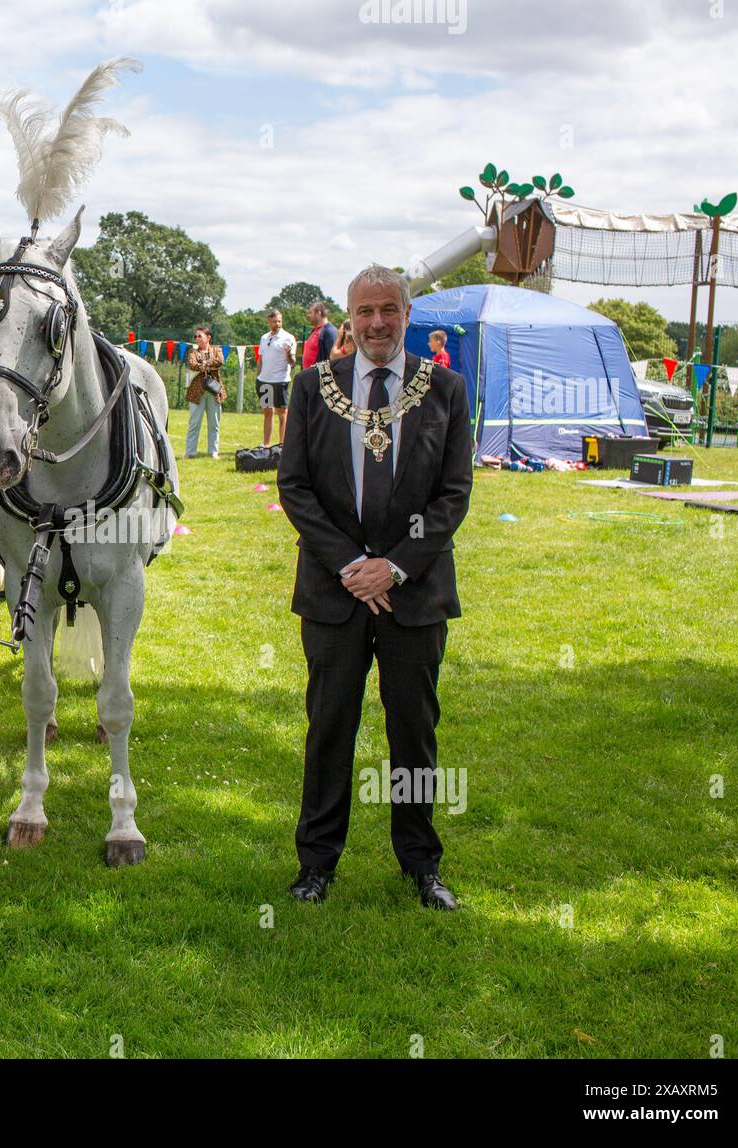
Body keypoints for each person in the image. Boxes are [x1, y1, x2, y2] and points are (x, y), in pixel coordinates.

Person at [277, 264, 473, 911]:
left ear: (408, 314)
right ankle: (316, 865)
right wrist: (350, 566)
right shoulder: (312, 387)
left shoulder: (444, 389)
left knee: (413, 733)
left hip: (413, 596)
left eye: (389, 309)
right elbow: (296, 487)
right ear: (349, 316)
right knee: (329, 726)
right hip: (334, 596)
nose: (377, 323)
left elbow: (453, 494)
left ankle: (421, 864)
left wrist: (393, 566)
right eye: (365, 312)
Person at [256, 308, 295, 449]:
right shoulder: (264, 337)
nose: (277, 324)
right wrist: (258, 377)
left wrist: (289, 354)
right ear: (269, 322)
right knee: (267, 412)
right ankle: (266, 444)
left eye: (279, 321)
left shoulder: (288, 338)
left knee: (282, 413)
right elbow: (260, 359)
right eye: (274, 321)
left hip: (280, 381)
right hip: (264, 381)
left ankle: (282, 445)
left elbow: (292, 363)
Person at [184, 325, 224, 459]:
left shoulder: (217, 349)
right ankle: (190, 452)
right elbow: (192, 364)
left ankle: (213, 451)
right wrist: (208, 364)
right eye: (195, 336)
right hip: (196, 391)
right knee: (194, 422)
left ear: (208, 337)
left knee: (214, 423)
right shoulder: (192, 351)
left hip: (214, 390)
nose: (196, 339)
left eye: (199, 336)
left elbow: (219, 361)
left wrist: (203, 363)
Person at [301, 303, 337, 369]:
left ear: (318, 313)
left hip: (319, 377)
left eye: (310, 313)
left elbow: (333, 359)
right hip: (308, 376)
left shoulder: (329, 331)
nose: (308, 315)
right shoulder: (314, 330)